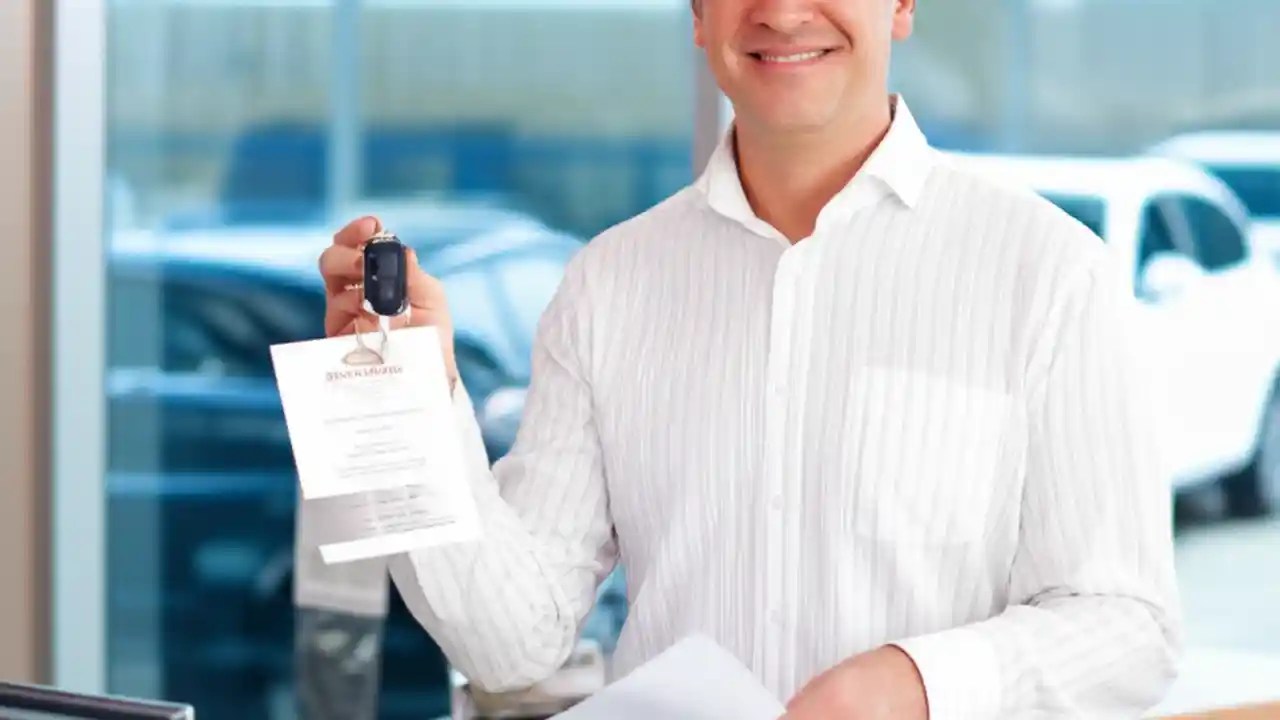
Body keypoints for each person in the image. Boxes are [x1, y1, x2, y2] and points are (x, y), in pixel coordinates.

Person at [318, 0, 1182, 717]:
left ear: (904, 5)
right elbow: (508, 647)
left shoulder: (1050, 272)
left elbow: (1129, 628)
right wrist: (405, 397)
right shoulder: (607, 283)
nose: (779, 10)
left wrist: (914, 683)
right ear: (698, 15)